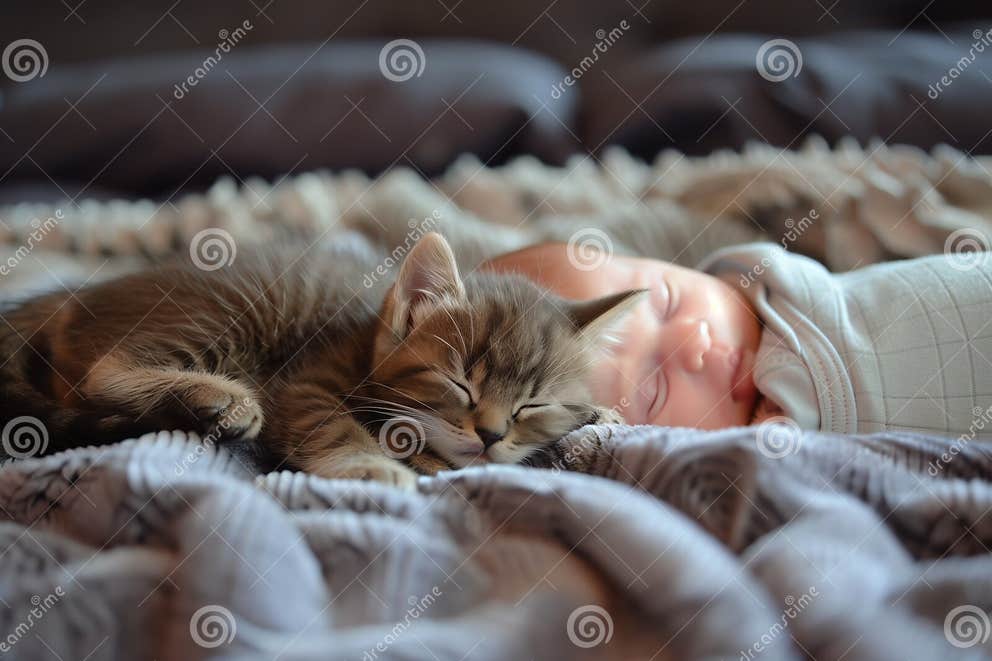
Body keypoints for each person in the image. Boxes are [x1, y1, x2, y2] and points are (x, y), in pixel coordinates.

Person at [482, 241, 992, 440]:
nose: (694, 343)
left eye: (667, 300)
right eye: (654, 390)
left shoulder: (778, 290)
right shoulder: (746, 457)